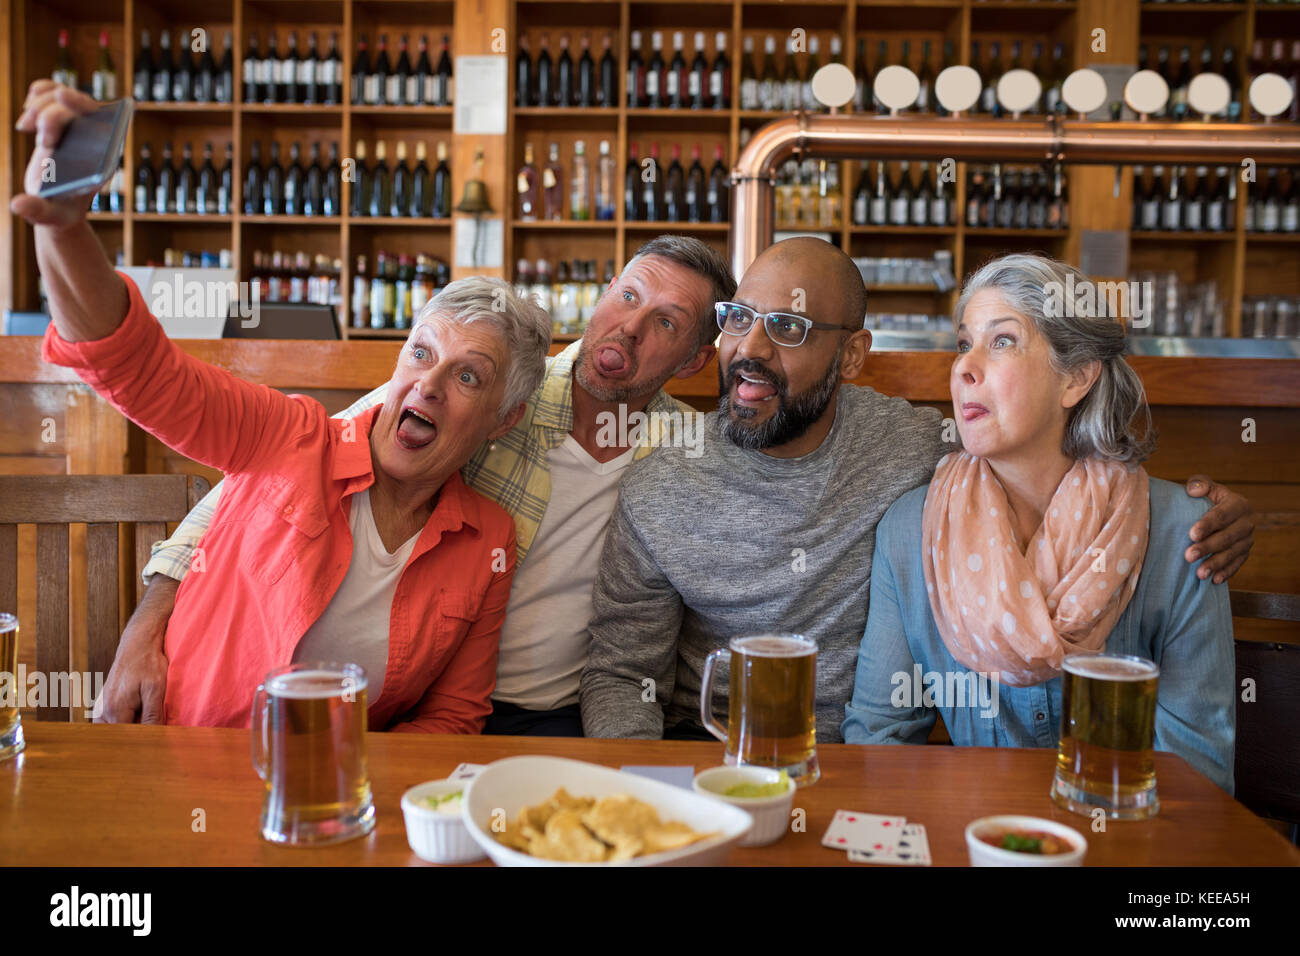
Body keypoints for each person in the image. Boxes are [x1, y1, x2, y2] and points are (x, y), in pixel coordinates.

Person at [14, 81, 551, 732]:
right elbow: (132, 365)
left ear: (504, 419)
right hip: (186, 767)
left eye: (468, 376)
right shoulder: (290, 437)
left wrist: (356, 792)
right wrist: (64, 230)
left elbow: (453, 716)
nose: (427, 385)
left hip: (330, 800)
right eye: (419, 353)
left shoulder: (487, 540)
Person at [580, 237, 1255, 746]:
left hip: (845, 766)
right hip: (710, 756)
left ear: (850, 356)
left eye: (787, 327)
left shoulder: (915, 454)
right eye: (736, 319)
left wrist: (1211, 515)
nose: (749, 347)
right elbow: (620, 671)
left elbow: (1034, 450)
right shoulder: (661, 484)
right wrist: (653, 795)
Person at [103, 234, 736, 735]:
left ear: (692, 361)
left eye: (666, 323)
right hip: (415, 700)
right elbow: (247, 487)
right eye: (627, 297)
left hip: (555, 713)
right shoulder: (483, 376)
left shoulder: (686, 452)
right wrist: (144, 631)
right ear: (603, 294)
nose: (629, 327)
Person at [842, 253, 1234, 792]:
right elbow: (878, 741)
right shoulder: (912, 531)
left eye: (1001, 341)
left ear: (1075, 378)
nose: (964, 367)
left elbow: (1198, 776)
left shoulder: (1183, 533)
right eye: (963, 344)